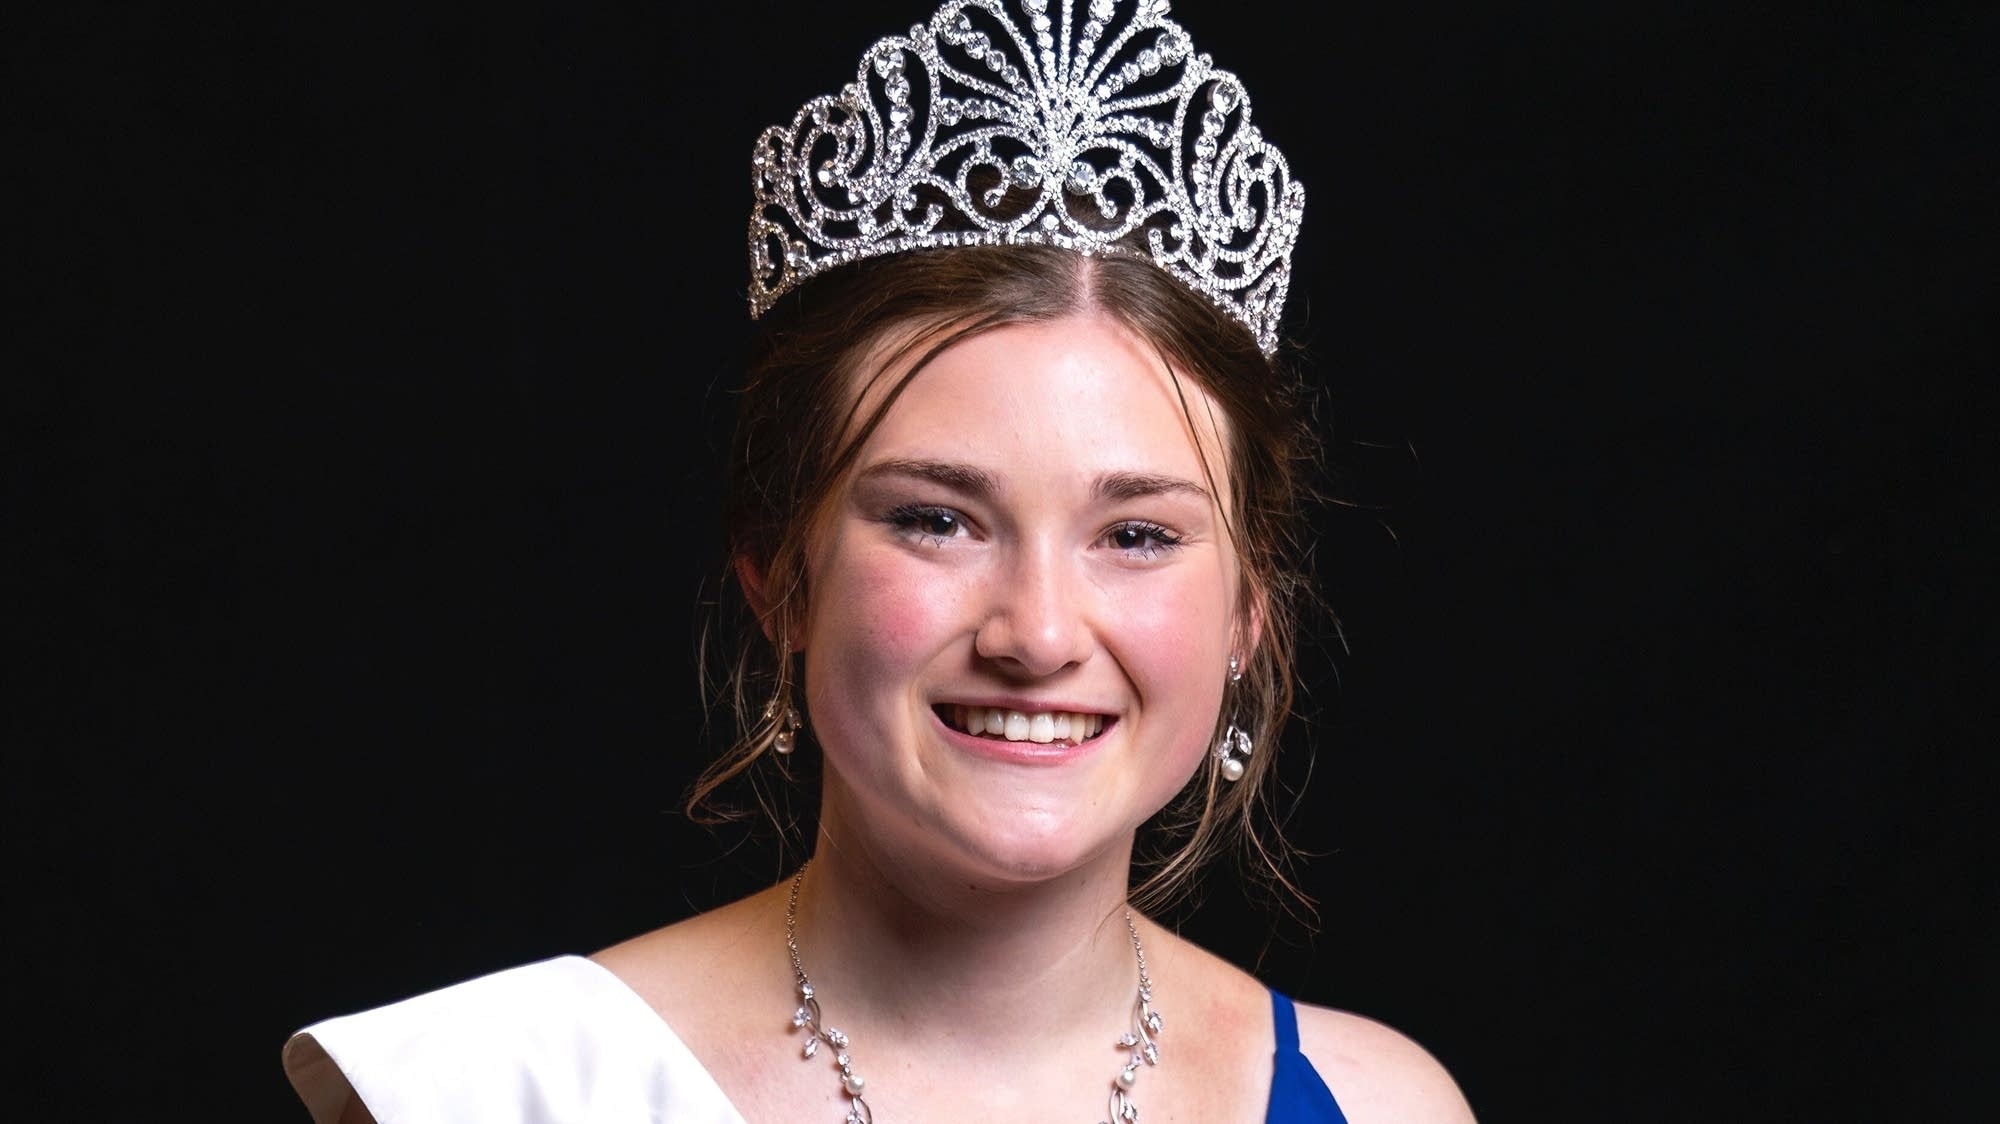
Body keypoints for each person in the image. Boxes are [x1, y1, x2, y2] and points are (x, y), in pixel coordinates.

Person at [283, 1, 1475, 1120]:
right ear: (777, 575)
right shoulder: (505, 1090)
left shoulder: (1381, 1104)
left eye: (1135, 535)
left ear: (1246, 616)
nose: (1038, 632)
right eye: (936, 519)